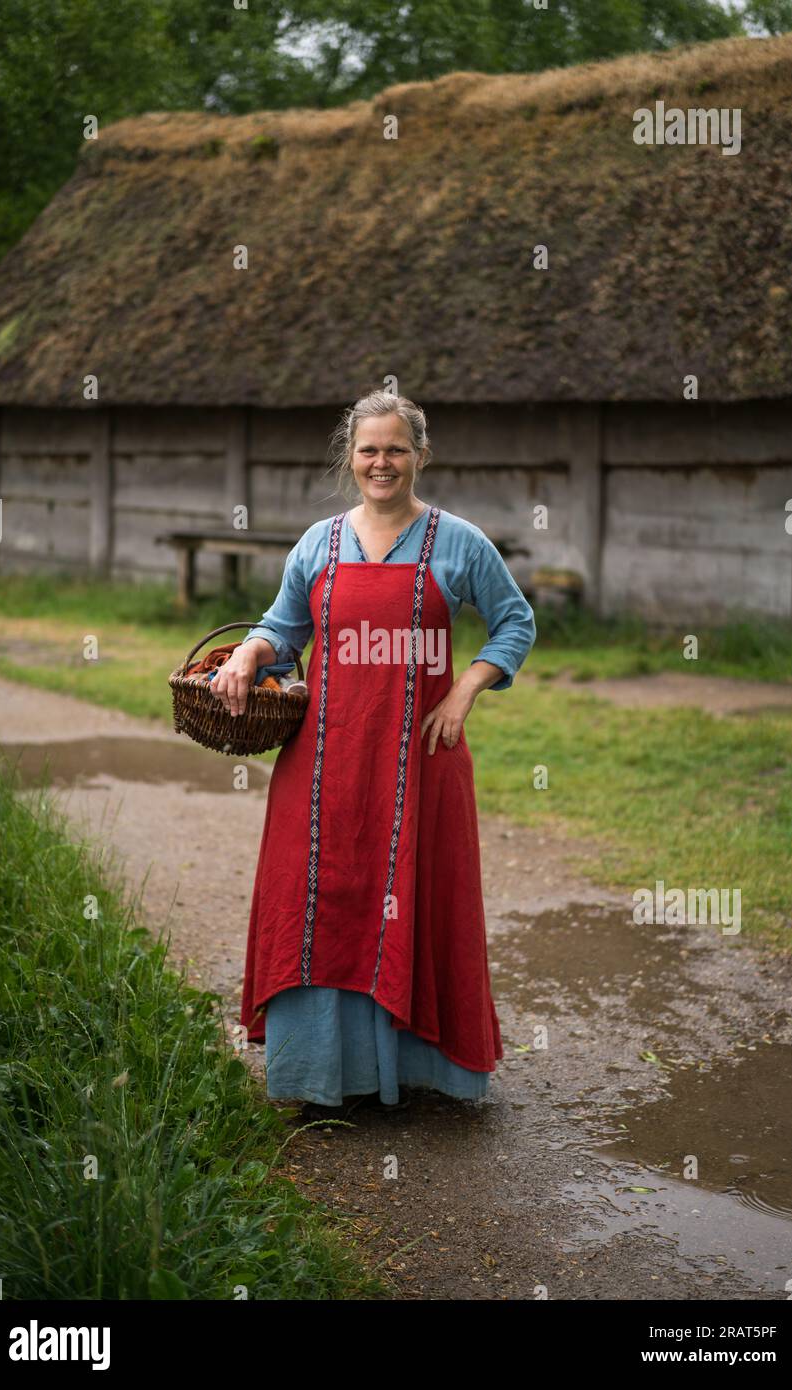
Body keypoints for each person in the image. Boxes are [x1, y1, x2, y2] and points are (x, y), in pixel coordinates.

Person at [210, 391, 536, 1120]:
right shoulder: (318, 543)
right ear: (349, 458)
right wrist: (247, 656)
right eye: (367, 450)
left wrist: (463, 694)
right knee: (319, 901)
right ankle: (321, 1073)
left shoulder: (458, 542)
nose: (380, 462)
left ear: (421, 454)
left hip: (421, 760)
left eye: (394, 449)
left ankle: (415, 1072)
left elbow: (515, 621)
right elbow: (281, 629)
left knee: (416, 895)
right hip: (323, 763)